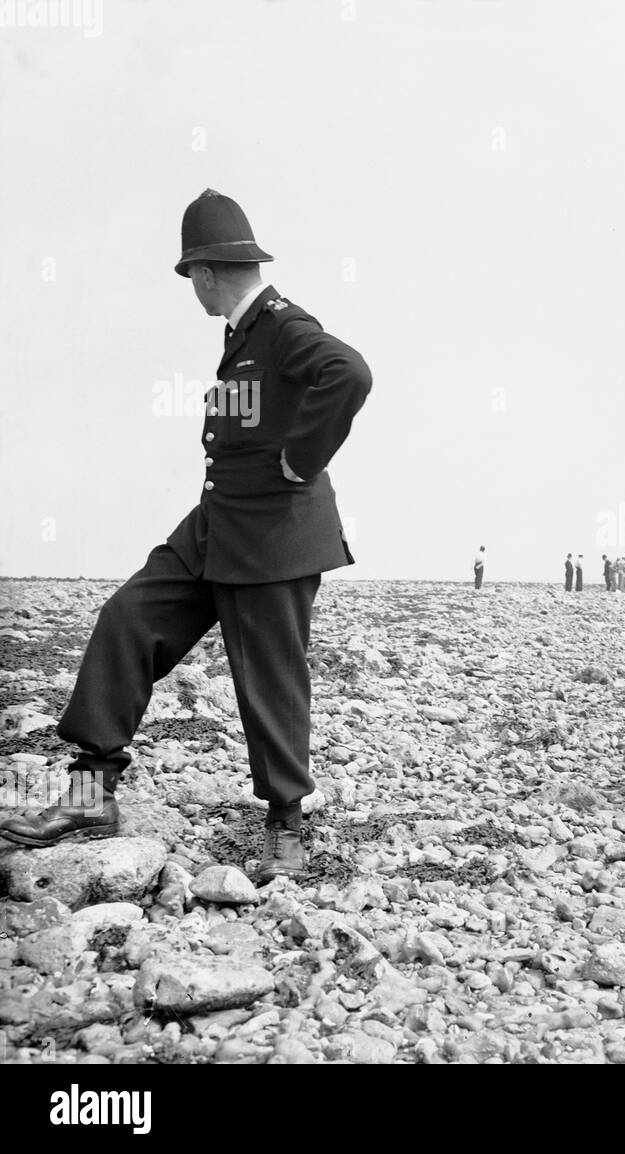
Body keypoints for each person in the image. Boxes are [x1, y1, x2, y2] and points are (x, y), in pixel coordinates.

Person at [0, 189, 372, 885]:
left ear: (203, 274)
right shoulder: (243, 333)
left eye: (190, 282)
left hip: (275, 538)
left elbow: (348, 373)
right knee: (129, 618)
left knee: (268, 680)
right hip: (217, 524)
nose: (192, 293)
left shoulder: (285, 326)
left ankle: (286, 834)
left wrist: (300, 459)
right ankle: (89, 794)